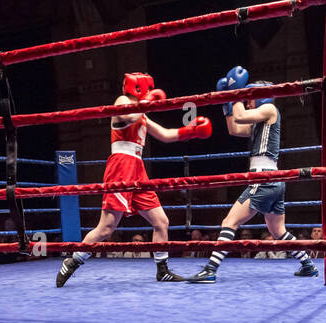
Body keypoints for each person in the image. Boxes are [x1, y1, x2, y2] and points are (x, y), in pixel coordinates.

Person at [56, 72, 212, 286]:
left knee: (161, 222)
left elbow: (165, 135)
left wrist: (190, 132)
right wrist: (146, 104)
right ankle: (73, 261)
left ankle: (163, 270)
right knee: (107, 228)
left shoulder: (143, 113)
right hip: (121, 165)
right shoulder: (123, 102)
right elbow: (127, 116)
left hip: (138, 168)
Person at [187, 68, 318, 283]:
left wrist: (235, 91)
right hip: (273, 180)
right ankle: (308, 264)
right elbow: (235, 127)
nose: (247, 102)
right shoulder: (260, 122)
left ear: (261, 96)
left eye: (249, 98)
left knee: (229, 222)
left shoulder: (269, 109)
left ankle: (210, 270)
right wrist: (227, 103)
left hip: (263, 178)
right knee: (278, 231)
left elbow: (241, 115)